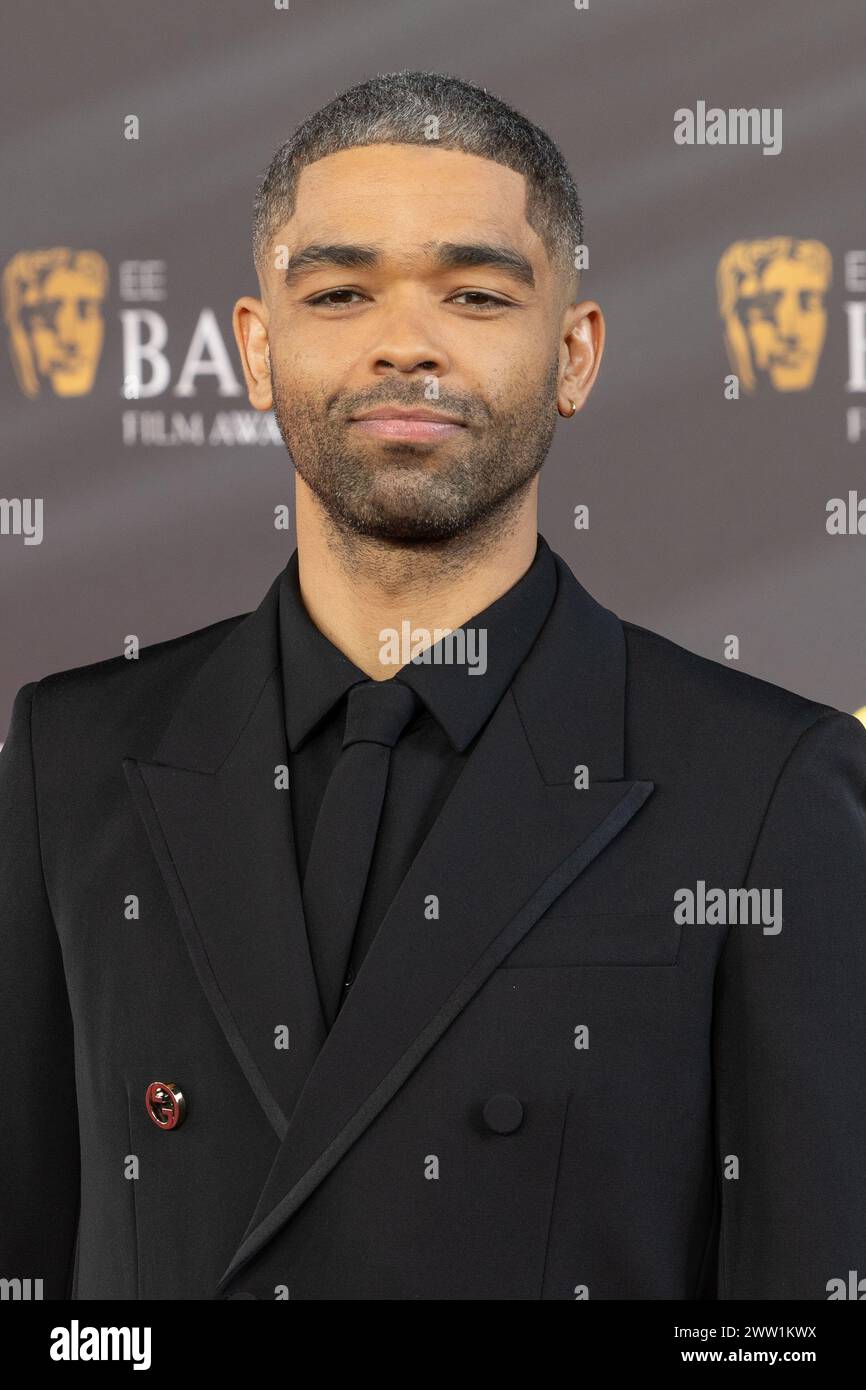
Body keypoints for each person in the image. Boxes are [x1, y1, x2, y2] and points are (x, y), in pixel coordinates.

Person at [2, 70, 865, 1302]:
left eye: (472, 294)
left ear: (571, 355)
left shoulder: (766, 791)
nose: (403, 342)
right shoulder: (68, 757)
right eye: (340, 293)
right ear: (255, 348)